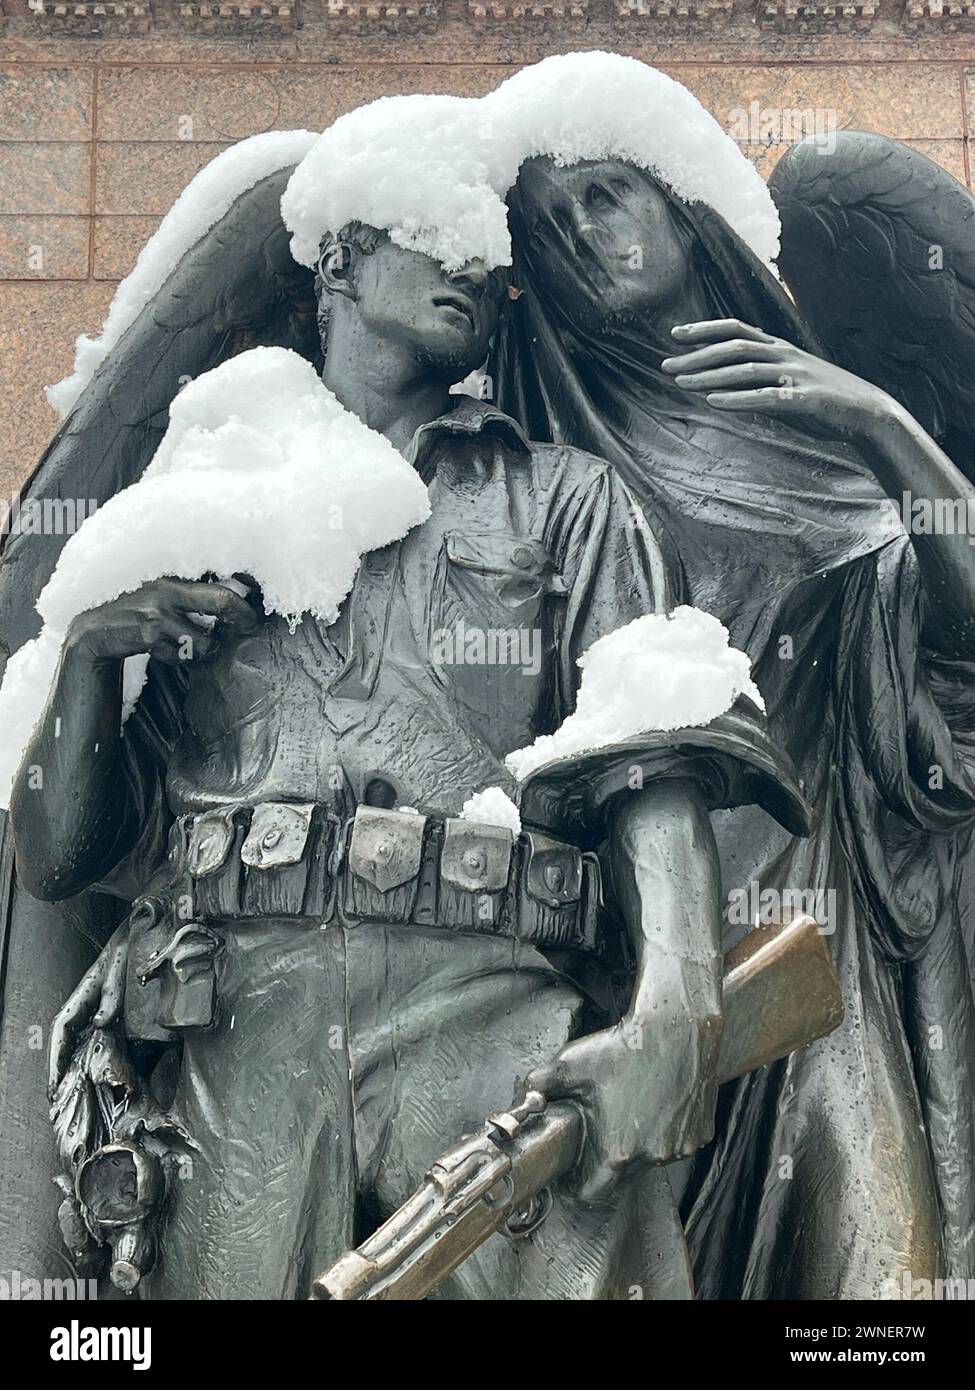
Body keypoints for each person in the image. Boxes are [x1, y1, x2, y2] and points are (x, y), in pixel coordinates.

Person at [9, 222, 799, 1299]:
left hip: (496, 1027)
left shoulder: (563, 498)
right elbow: (59, 863)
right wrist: (92, 660)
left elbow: (650, 751)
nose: (474, 267)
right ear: (336, 263)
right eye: (435, 235)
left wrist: (679, 1003)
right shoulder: (196, 515)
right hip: (237, 1049)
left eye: (488, 253)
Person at [492, 149, 975, 1297]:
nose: (579, 233)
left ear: (680, 202)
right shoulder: (543, 443)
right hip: (650, 926)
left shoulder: (823, 405)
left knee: (877, 1272)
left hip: (833, 917)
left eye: (607, 196)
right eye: (548, 221)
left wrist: (887, 427)